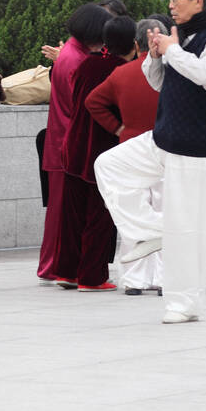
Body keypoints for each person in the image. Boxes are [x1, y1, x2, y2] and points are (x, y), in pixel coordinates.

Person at [94, 0, 206, 324]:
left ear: (197, 1)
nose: (170, 5)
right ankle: (149, 230)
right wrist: (157, 56)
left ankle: (184, 303)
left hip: (195, 148)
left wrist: (173, 50)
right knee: (108, 166)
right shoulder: (178, 36)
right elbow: (159, 83)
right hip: (164, 137)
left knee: (190, 227)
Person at [86, 18, 167, 296]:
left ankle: (134, 279)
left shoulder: (122, 74)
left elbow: (93, 101)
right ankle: (163, 277)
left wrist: (117, 127)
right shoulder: (173, 75)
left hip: (130, 147)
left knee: (133, 214)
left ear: (135, 44)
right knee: (162, 211)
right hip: (164, 149)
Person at [53, 16, 134, 291]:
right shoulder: (122, 70)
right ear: (132, 43)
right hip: (102, 148)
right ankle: (91, 277)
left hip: (74, 145)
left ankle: (66, 272)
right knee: (99, 216)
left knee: (71, 215)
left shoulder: (87, 63)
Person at [36, 2, 111, 283]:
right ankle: (54, 268)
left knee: (61, 213)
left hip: (61, 143)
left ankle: (57, 267)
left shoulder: (69, 52)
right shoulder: (78, 61)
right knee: (62, 216)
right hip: (68, 147)